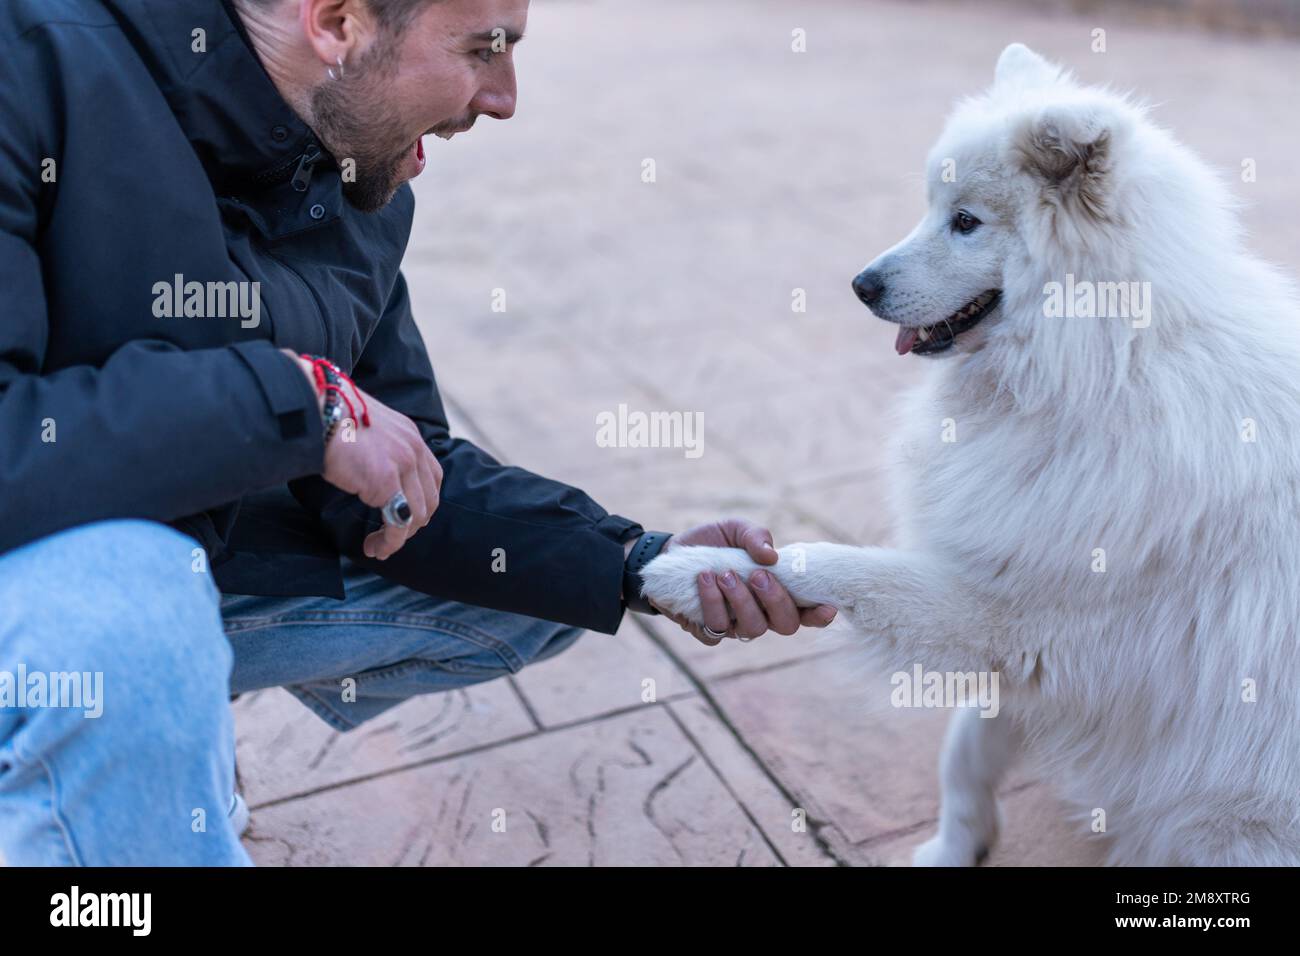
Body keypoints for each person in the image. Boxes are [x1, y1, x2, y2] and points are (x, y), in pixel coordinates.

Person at [0, 0, 837, 865]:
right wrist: (296, 402)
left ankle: (161, 730)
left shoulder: (351, 164)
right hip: (67, 580)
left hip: (157, 540)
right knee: (125, 612)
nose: (506, 98)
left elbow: (407, 462)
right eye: (484, 49)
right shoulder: (26, 63)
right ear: (336, 22)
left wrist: (640, 563)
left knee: (537, 585)